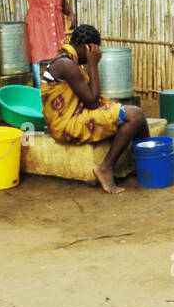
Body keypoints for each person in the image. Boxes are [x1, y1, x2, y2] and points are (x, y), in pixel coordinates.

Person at [40, 24, 149, 194]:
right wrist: (93, 65)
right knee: (134, 115)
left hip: (74, 116)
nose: (97, 54)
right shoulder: (66, 64)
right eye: (95, 50)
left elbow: (90, 96)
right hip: (67, 125)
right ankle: (105, 167)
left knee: (137, 115)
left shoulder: (68, 60)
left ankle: (150, 165)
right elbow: (92, 101)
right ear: (87, 47)